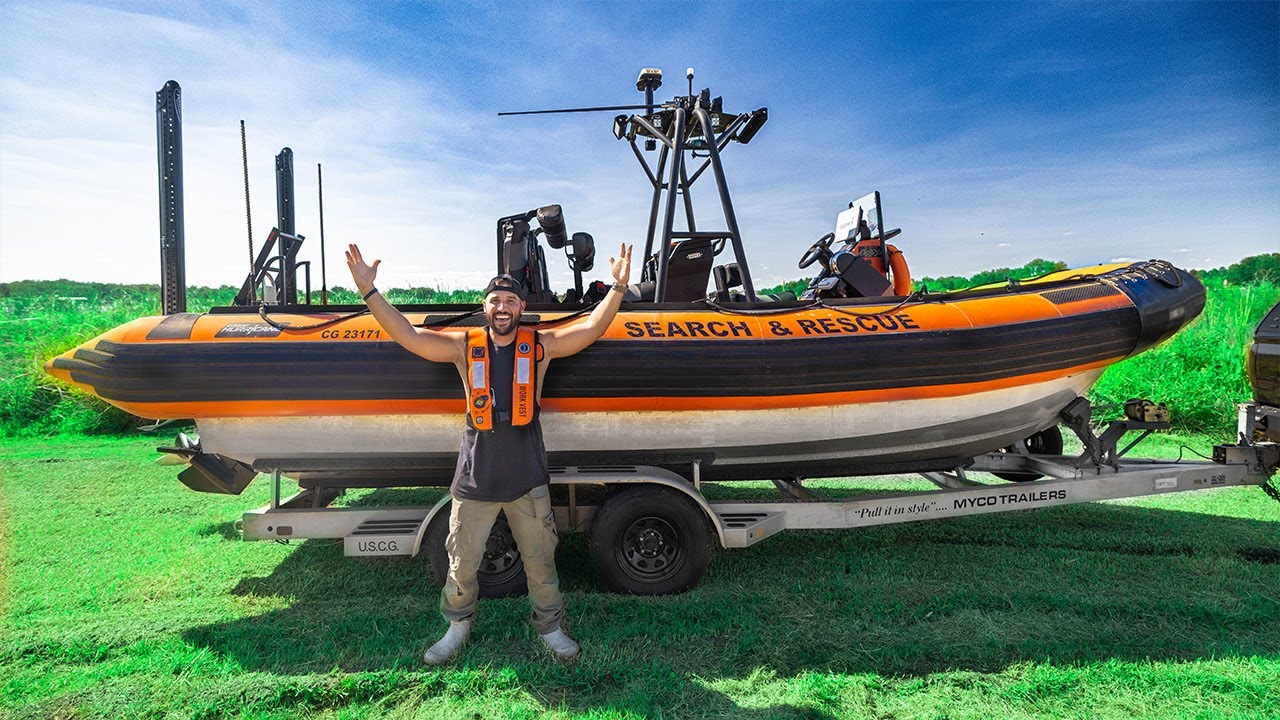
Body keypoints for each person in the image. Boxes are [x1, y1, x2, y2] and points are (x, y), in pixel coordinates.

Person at [345, 242, 632, 664]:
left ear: (521, 308)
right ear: (485, 307)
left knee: (541, 563)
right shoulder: (463, 346)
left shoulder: (542, 345)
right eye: (495, 300)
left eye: (510, 301)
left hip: (527, 479)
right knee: (461, 563)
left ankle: (550, 627)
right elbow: (408, 335)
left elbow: (591, 328)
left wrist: (619, 287)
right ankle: (457, 626)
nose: (502, 307)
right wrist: (369, 291)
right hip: (474, 480)